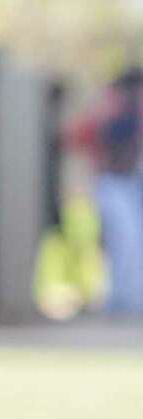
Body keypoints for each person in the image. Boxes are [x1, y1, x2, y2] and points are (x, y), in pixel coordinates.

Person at [63, 66, 143, 315]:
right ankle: (119, 300)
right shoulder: (106, 110)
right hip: (110, 183)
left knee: (133, 242)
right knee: (122, 240)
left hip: (133, 183)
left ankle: (129, 298)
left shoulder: (134, 111)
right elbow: (75, 138)